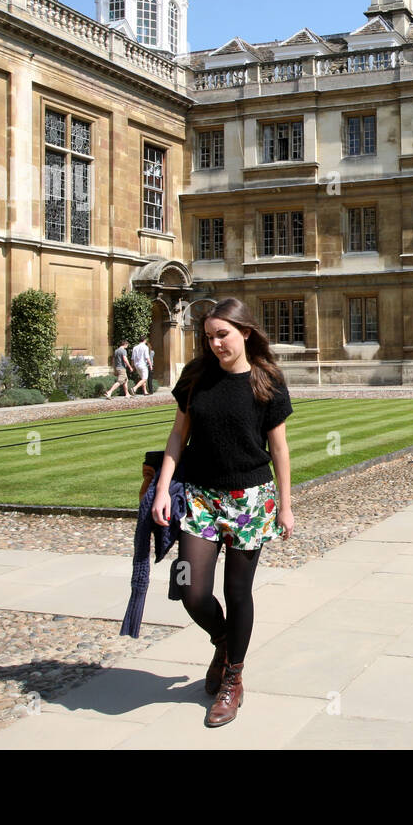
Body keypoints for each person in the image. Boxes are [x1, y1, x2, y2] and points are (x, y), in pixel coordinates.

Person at [151, 297, 295, 727]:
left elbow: (280, 448)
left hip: (251, 500)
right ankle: (224, 642)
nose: (215, 344)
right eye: (209, 336)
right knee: (190, 589)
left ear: (245, 333)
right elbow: (178, 436)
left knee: (237, 593)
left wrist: (286, 506)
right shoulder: (196, 377)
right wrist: (162, 488)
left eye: (223, 335)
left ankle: (233, 679)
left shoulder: (266, 381)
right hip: (199, 496)